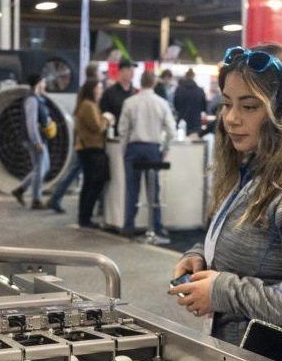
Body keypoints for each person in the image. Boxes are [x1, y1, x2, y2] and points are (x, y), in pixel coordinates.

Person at [168, 44, 282, 345]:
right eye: (227, 104)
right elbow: (249, 242)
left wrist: (222, 291)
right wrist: (201, 255)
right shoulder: (252, 167)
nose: (231, 118)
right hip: (234, 355)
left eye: (249, 106)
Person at [118, 71, 176, 240]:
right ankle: (156, 226)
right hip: (153, 149)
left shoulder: (129, 102)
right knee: (153, 191)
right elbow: (171, 131)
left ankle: (128, 226)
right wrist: (165, 149)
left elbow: (123, 131)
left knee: (131, 190)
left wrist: (124, 151)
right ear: (154, 83)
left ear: (140, 82)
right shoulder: (162, 103)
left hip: (133, 149)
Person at [74, 80, 113, 228]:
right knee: (93, 183)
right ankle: (85, 217)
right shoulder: (88, 105)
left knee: (89, 183)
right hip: (91, 148)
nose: (101, 90)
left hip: (87, 148)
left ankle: (84, 217)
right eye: (99, 88)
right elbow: (97, 126)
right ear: (92, 90)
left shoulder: (86, 104)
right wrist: (107, 119)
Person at [11, 73, 51, 210]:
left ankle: (21, 189)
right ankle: (36, 199)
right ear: (39, 83)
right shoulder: (32, 100)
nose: (45, 85)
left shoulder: (38, 99)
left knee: (42, 168)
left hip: (39, 139)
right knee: (40, 168)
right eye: (44, 82)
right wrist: (37, 141)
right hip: (35, 140)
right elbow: (31, 123)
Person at [173, 68, 207, 135]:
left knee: (181, 144)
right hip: (196, 123)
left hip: (182, 122)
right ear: (193, 76)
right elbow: (204, 108)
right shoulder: (200, 90)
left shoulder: (179, 90)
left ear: (185, 76)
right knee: (195, 144)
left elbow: (176, 106)